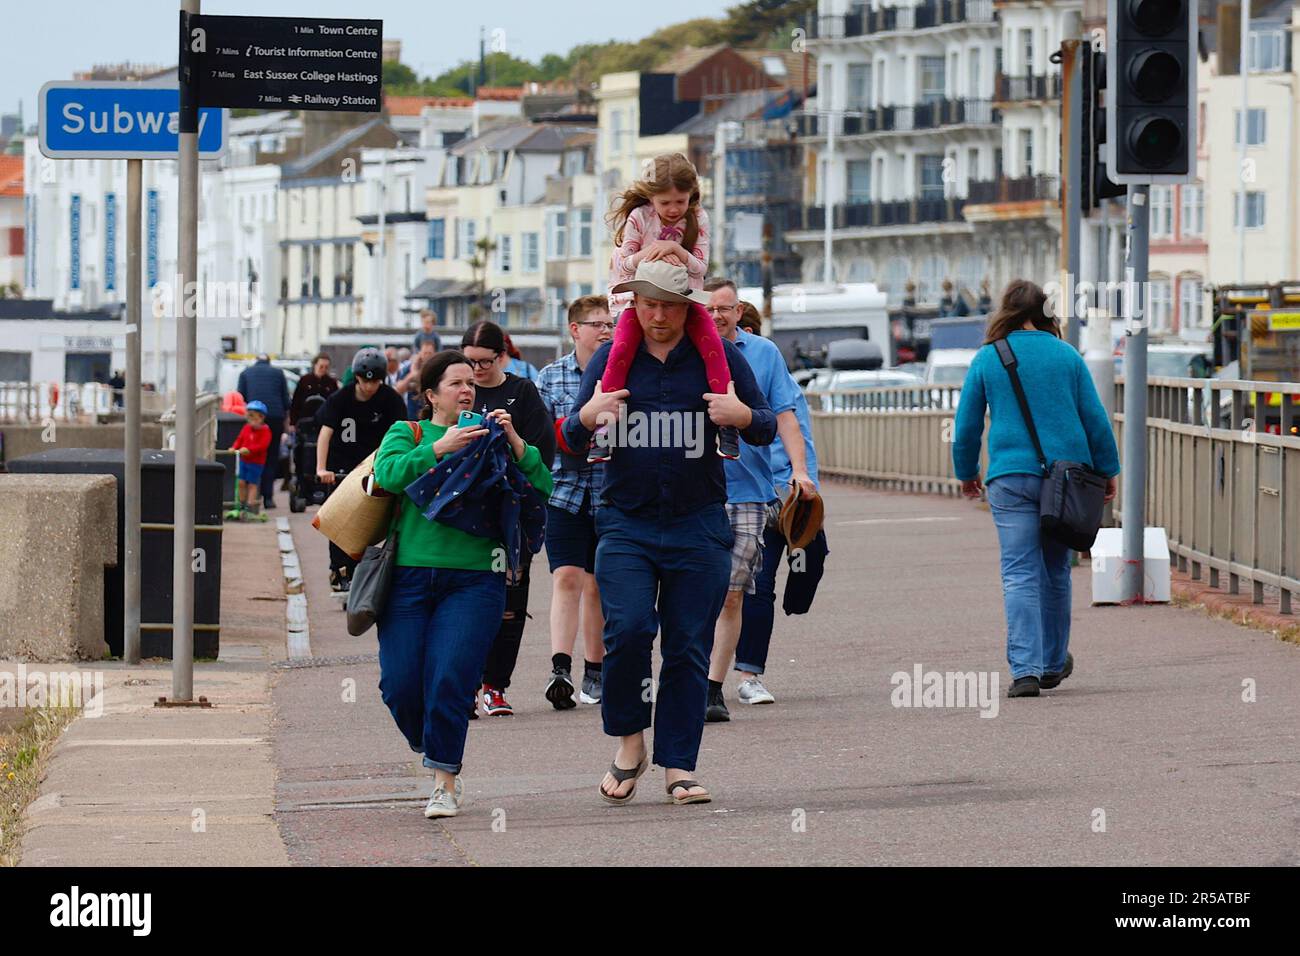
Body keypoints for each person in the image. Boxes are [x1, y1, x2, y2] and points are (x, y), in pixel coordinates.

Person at [561, 258, 776, 806]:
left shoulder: (719, 358)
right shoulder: (613, 358)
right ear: (635, 305)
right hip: (626, 522)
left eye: (668, 305)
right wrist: (588, 416)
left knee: (687, 645)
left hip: (699, 523)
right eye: (647, 304)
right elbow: (567, 436)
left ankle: (678, 764)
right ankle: (631, 742)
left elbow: (767, 424)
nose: (657, 316)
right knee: (629, 631)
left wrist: (741, 415)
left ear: (687, 308)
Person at [372, 351, 554, 818]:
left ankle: (444, 782)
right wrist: (439, 448)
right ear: (431, 395)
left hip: (475, 579)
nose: (467, 389)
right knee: (399, 684)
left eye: (471, 383)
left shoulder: (492, 435)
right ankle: (433, 744)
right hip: (408, 579)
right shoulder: (408, 433)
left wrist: (514, 440)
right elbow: (387, 475)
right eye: (455, 383)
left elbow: (542, 486)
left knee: (450, 677)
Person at [952, 279, 1121, 698]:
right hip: (1066, 479)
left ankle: (1025, 670)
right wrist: (1107, 469)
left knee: (1019, 570)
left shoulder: (988, 358)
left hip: (1009, 478)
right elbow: (1094, 419)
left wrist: (966, 471)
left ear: (1007, 311)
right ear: (1047, 313)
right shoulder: (1067, 356)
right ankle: (1050, 662)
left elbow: (967, 427)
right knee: (1056, 569)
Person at [701, 278, 817, 722]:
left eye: (726, 308)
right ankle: (690, 674)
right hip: (698, 491)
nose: (718, 316)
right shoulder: (685, 351)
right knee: (695, 594)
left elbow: (786, 416)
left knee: (735, 593)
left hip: (750, 491)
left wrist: (800, 472)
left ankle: (715, 687)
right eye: (711, 308)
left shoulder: (764, 354)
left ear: (738, 311)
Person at [599, 152, 740, 462]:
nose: (674, 210)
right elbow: (623, 263)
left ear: (691, 196)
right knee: (619, 351)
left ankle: (727, 427)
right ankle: (603, 430)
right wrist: (652, 253)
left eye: (681, 201)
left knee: (713, 349)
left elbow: (700, 268)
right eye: (665, 203)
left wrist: (675, 248)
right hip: (641, 299)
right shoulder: (639, 217)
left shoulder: (698, 218)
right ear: (652, 199)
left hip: (684, 297)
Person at [460, 320, 556, 716]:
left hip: (511, 512)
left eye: (484, 362)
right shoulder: (457, 391)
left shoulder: (521, 392)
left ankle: (495, 685)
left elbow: (542, 454)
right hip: (463, 513)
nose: (477, 371)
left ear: (502, 356)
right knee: (465, 602)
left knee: (510, 603)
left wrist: (510, 436)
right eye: (470, 362)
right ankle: (464, 684)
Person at [536, 294, 613, 710]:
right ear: (574, 330)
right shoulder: (550, 378)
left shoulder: (621, 374)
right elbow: (542, 438)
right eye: (596, 324)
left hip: (609, 494)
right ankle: (559, 667)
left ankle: (595, 671)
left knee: (597, 583)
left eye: (609, 324)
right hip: (563, 492)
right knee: (566, 576)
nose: (605, 331)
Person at [737, 379, 829, 706]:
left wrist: (808, 483)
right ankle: (748, 675)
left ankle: (797, 601)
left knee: (811, 557)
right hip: (742, 493)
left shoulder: (773, 370)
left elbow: (799, 432)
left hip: (785, 492)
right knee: (758, 585)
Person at [315, 348, 408, 592]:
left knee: (373, 520)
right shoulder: (340, 398)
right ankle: (339, 569)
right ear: (356, 377)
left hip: (375, 466)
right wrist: (321, 468)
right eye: (365, 380)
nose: (369, 386)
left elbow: (403, 434)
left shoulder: (391, 400)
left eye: (375, 381)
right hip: (342, 465)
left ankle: (370, 570)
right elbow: (326, 433)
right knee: (339, 518)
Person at [236, 355, 291, 510]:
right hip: (274, 417)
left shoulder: (246, 373)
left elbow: (242, 397)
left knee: (252, 456)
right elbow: (286, 401)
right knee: (271, 457)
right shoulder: (279, 373)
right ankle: (268, 498)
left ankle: (252, 496)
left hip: (253, 418)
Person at [231, 400, 272, 518]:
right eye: (250, 416)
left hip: (256, 462)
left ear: (262, 417)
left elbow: (263, 445)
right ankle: (242, 503)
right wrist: (234, 447)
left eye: (256, 417)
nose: (253, 420)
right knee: (241, 482)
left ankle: (250, 505)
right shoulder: (246, 428)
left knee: (252, 484)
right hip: (244, 460)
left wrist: (249, 449)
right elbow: (240, 439)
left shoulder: (265, 430)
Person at [288, 353, 339, 428]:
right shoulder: (304, 380)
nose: (323, 369)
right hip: (304, 419)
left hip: (325, 421)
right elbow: (296, 402)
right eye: (321, 366)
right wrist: (292, 423)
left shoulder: (332, 383)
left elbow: (336, 403)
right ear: (315, 365)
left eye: (326, 367)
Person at [397, 339, 437, 419]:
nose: (427, 355)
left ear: (434, 354)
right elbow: (399, 389)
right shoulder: (409, 368)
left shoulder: (438, 368)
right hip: (412, 415)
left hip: (432, 415)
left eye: (430, 353)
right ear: (419, 353)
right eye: (425, 353)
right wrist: (412, 374)